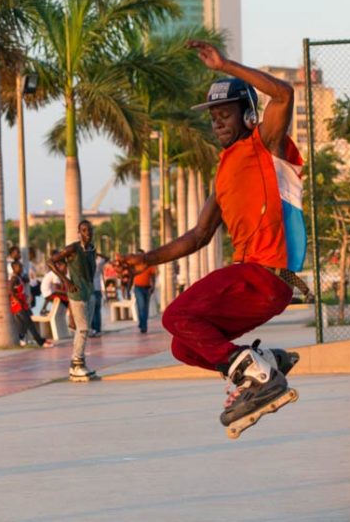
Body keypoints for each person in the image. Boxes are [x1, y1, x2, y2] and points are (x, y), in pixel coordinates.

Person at [115, 40, 306, 437]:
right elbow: (200, 235)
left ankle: (259, 374)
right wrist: (147, 259)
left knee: (174, 316)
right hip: (254, 283)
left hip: (265, 274)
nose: (217, 123)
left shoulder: (263, 146)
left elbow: (284, 94)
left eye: (225, 115)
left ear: (249, 115)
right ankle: (266, 360)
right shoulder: (222, 173)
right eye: (213, 117)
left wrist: (226, 64)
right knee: (183, 346)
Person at [49, 220, 100, 382]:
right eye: (84, 230)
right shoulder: (73, 248)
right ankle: (75, 365)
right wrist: (66, 281)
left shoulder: (92, 249)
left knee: (85, 329)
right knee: (83, 329)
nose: (87, 233)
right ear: (79, 232)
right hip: (76, 293)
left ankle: (81, 363)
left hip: (90, 292)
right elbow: (50, 262)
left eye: (89, 230)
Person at [10, 261, 54, 348]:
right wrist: (17, 300)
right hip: (18, 306)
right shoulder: (14, 278)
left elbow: (21, 287)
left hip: (22, 304)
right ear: (14, 268)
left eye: (21, 267)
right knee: (29, 324)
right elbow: (11, 291)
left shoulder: (19, 277)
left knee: (24, 324)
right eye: (20, 267)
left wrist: (24, 296)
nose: (22, 269)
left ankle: (25, 340)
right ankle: (41, 342)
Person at [132, 251, 156, 334]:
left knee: (145, 308)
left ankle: (143, 324)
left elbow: (153, 276)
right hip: (138, 288)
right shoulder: (134, 266)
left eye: (140, 255)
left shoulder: (148, 265)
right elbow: (130, 276)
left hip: (147, 288)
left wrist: (153, 286)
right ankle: (143, 326)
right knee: (141, 307)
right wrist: (127, 289)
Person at [89, 254, 106, 338]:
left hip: (91, 290)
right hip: (96, 289)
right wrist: (98, 253)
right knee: (96, 311)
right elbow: (106, 258)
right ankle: (97, 330)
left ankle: (93, 329)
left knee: (91, 311)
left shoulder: (94, 262)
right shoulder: (98, 262)